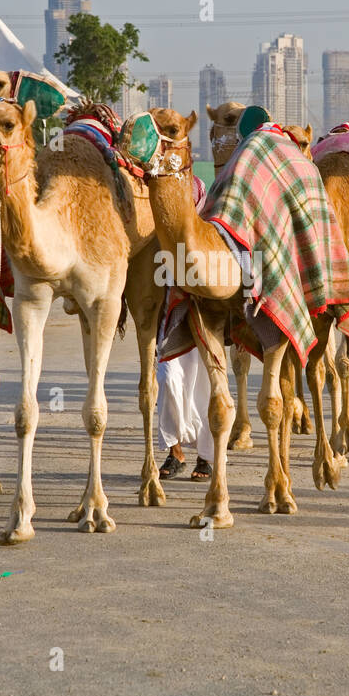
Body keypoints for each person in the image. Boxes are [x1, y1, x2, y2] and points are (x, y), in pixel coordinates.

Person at [156, 173, 216, 482]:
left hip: (205, 312)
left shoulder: (204, 203)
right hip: (170, 313)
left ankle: (206, 457)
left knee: (206, 384)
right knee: (168, 378)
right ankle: (175, 450)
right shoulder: (157, 205)